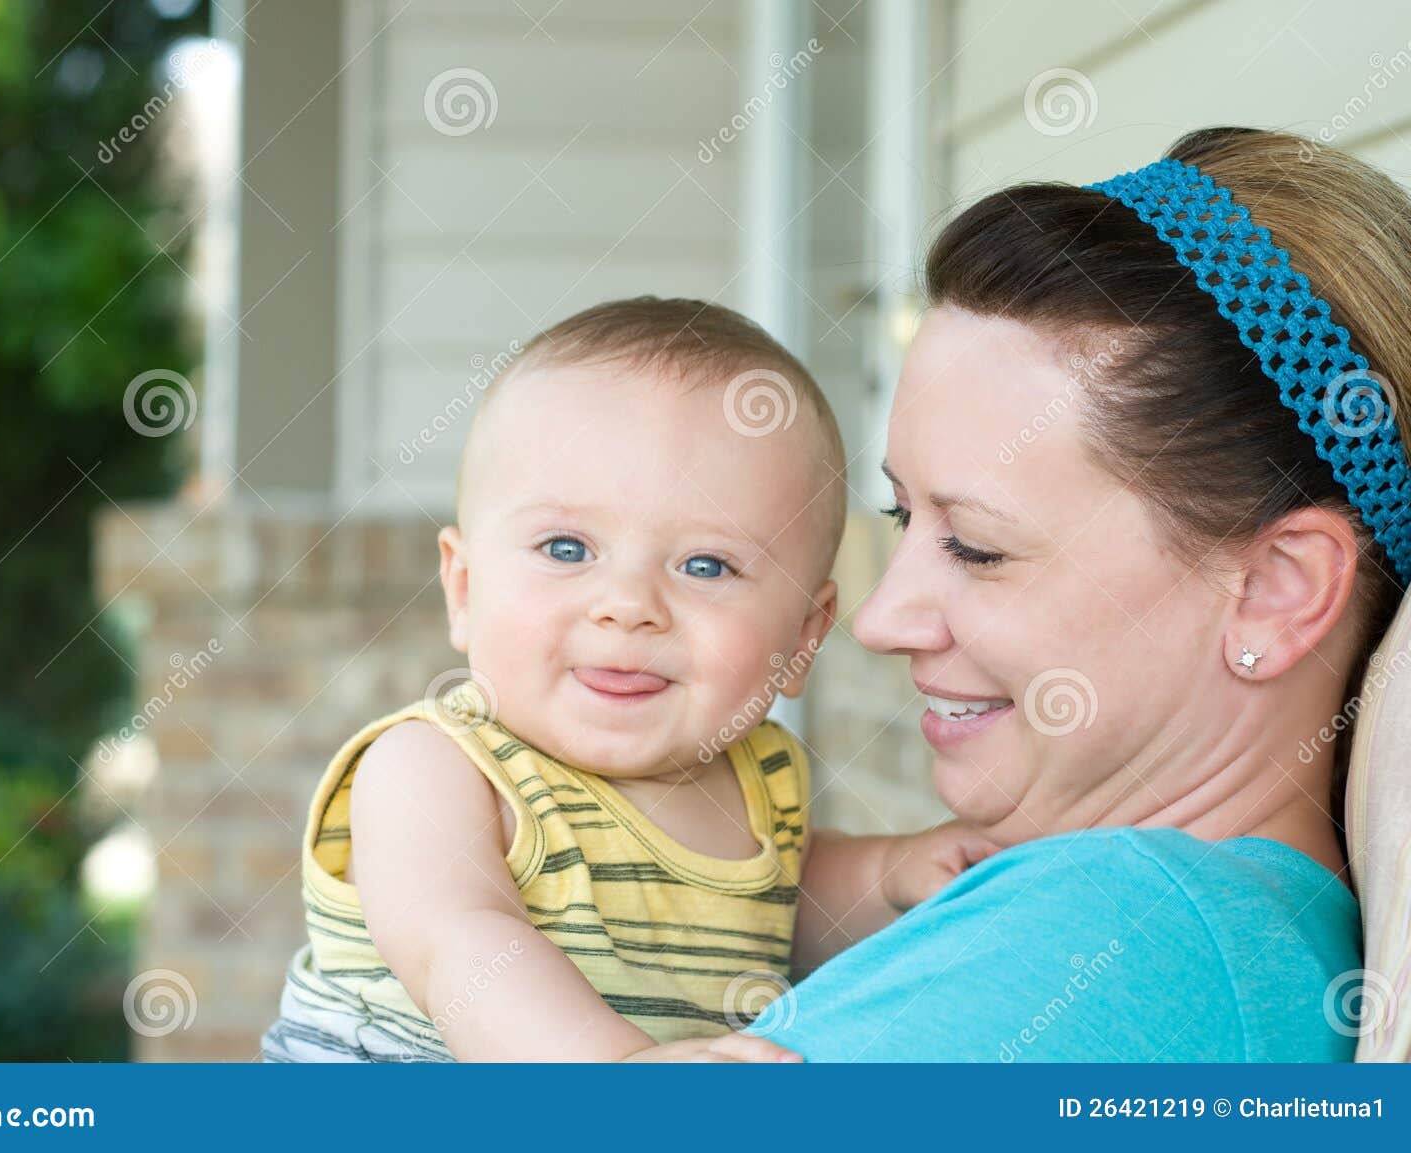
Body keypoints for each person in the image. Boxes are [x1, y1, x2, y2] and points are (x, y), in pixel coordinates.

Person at [753, 127, 1405, 1061]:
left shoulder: (1115, 936)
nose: (879, 619)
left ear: (1275, 590)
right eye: (903, 517)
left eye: (976, 547)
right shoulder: (1240, 935)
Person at [261, 297, 993, 1062]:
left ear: (803, 639)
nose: (628, 607)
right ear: (465, 588)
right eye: (567, 548)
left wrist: (891, 873)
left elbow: (781, 908)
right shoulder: (432, 768)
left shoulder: (762, 779)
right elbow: (461, 947)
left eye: (706, 566)